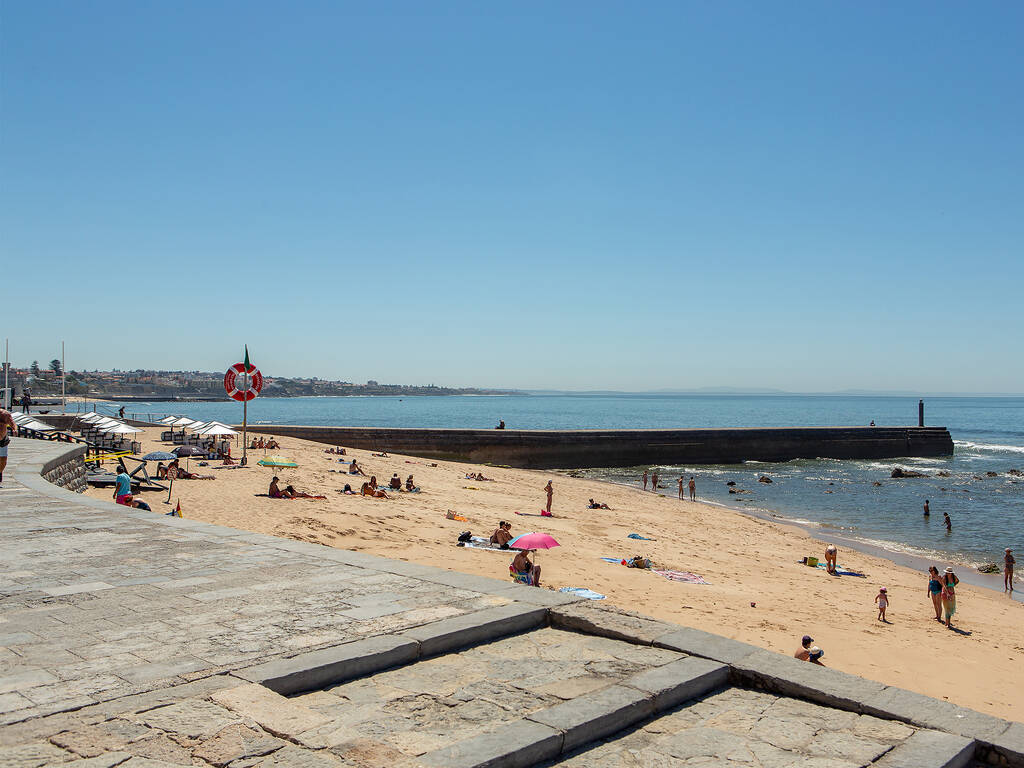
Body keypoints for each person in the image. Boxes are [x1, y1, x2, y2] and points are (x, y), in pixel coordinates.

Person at [0, 407, 16, 486]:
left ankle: (0, 472)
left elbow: (12, 422)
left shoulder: (5, 414)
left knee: (3, 459)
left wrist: (14, 429)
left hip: (2, 440)